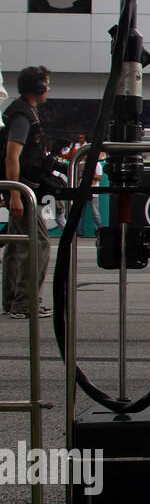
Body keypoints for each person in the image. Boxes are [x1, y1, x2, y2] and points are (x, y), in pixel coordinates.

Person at [1, 67, 55, 318]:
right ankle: (25, 302)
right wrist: (14, 194)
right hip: (21, 189)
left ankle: (12, 300)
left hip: (18, 188)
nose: (49, 88)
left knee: (15, 244)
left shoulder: (22, 111)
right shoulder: (23, 116)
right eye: (47, 84)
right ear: (39, 87)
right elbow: (13, 155)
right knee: (39, 243)